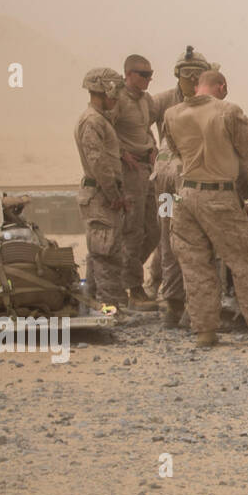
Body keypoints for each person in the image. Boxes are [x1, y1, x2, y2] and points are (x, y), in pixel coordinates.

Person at [163, 70, 248, 348]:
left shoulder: (172, 114)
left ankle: (205, 332)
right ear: (221, 86)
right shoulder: (229, 112)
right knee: (244, 260)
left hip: (185, 198)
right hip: (218, 196)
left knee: (196, 268)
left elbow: (175, 152)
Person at [149, 46, 215, 327]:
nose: (191, 78)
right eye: (188, 74)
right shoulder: (174, 102)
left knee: (170, 238)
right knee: (188, 239)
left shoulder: (185, 103)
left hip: (169, 174)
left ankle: (175, 304)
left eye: (195, 74)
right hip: (180, 178)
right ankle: (183, 303)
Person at [75, 68, 132, 308]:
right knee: (107, 255)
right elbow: (97, 161)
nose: (117, 97)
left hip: (101, 194)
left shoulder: (99, 119)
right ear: (106, 89)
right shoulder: (93, 121)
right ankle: (112, 309)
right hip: (101, 195)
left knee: (99, 252)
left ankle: (93, 304)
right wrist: (113, 194)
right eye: (115, 91)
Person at [113, 54, 161, 308]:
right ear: (129, 74)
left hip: (146, 167)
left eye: (150, 74)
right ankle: (133, 289)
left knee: (154, 229)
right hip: (129, 171)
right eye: (143, 75)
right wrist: (121, 152)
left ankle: (126, 275)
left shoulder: (146, 100)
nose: (148, 79)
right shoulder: (117, 99)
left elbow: (146, 127)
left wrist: (152, 147)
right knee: (132, 230)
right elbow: (107, 130)